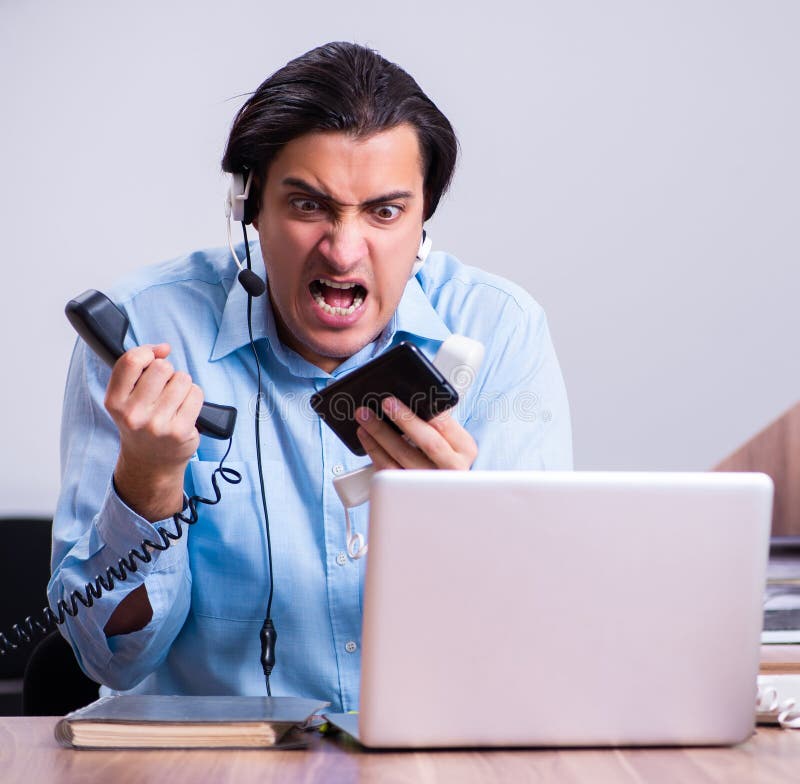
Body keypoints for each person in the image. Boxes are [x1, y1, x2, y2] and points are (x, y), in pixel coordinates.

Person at [49, 42, 572, 712]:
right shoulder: (148, 334)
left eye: (384, 212)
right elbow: (109, 659)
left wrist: (459, 530)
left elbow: (539, 640)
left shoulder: (499, 329)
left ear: (422, 221)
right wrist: (149, 485)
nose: (344, 248)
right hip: (214, 765)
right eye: (307, 206)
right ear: (250, 207)